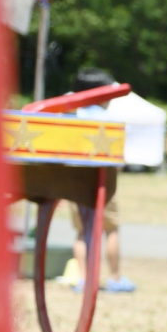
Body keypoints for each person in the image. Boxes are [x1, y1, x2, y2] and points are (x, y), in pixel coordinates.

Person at [65, 67, 135, 292]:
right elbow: (119, 160)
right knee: (111, 229)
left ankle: (84, 279)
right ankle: (114, 278)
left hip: (74, 183)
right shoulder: (111, 119)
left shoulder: (71, 116)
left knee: (81, 232)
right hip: (105, 184)